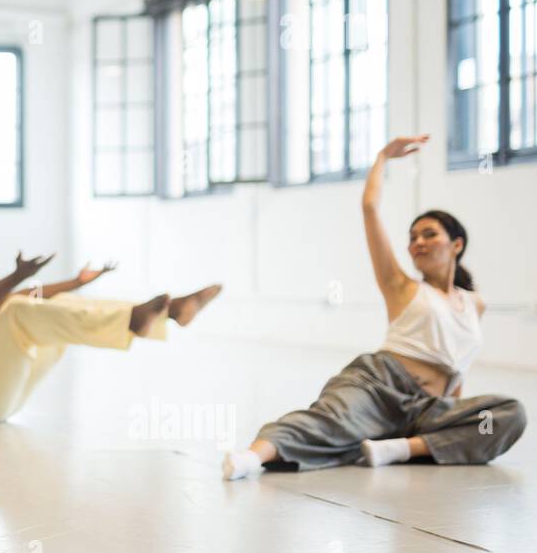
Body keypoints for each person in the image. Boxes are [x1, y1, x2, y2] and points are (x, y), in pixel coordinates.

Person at [222, 135, 527, 480]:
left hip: (426, 408)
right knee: (327, 422)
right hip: (379, 385)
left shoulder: (475, 303)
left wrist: (453, 412)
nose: (418, 243)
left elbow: (458, 365)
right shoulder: (400, 285)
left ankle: (396, 448)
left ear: (456, 244)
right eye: (413, 238)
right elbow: (370, 209)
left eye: (429, 234)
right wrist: (382, 157)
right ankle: (251, 458)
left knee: (507, 415)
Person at [0, 219, 223, 422]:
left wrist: (75, 283)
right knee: (19, 313)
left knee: (41, 309)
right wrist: (14, 277)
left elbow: (8, 300)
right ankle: (145, 316)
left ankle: (151, 315)